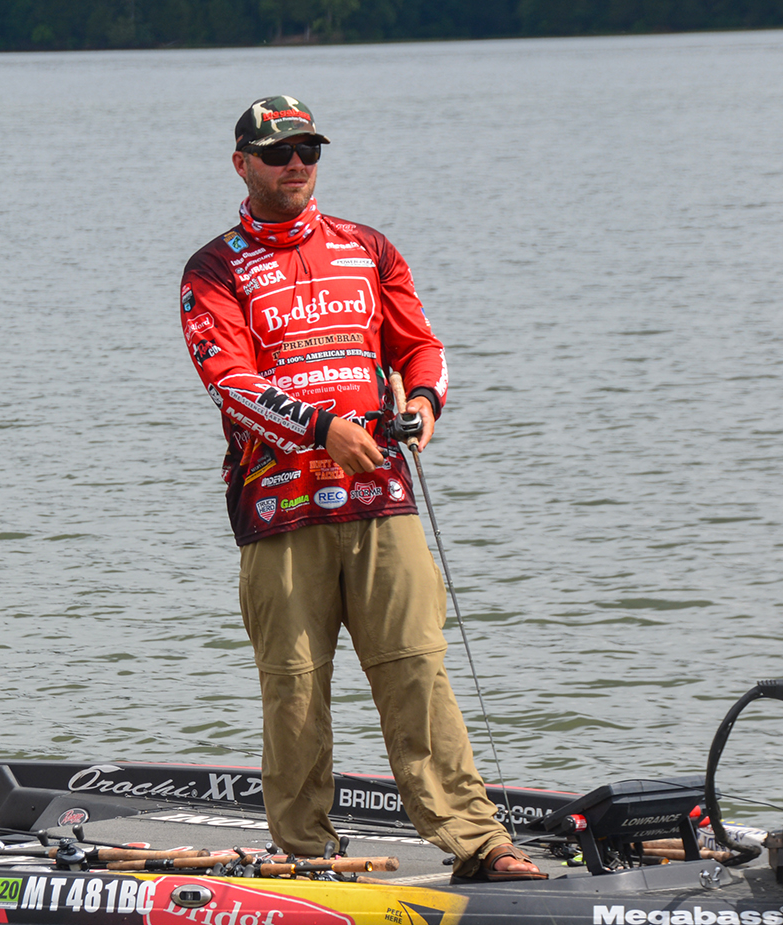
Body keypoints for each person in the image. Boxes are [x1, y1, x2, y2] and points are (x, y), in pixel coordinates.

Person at [178, 96, 543, 881]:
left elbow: (423, 346)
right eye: (278, 153)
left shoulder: (368, 247)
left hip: (382, 499)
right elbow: (231, 381)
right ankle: (306, 850)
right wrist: (320, 430)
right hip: (278, 512)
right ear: (241, 163)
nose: (296, 164)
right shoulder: (212, 268)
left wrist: (422, 403)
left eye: (308, 149)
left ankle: (478, 843)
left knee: (417, 666)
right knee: (295, 690)